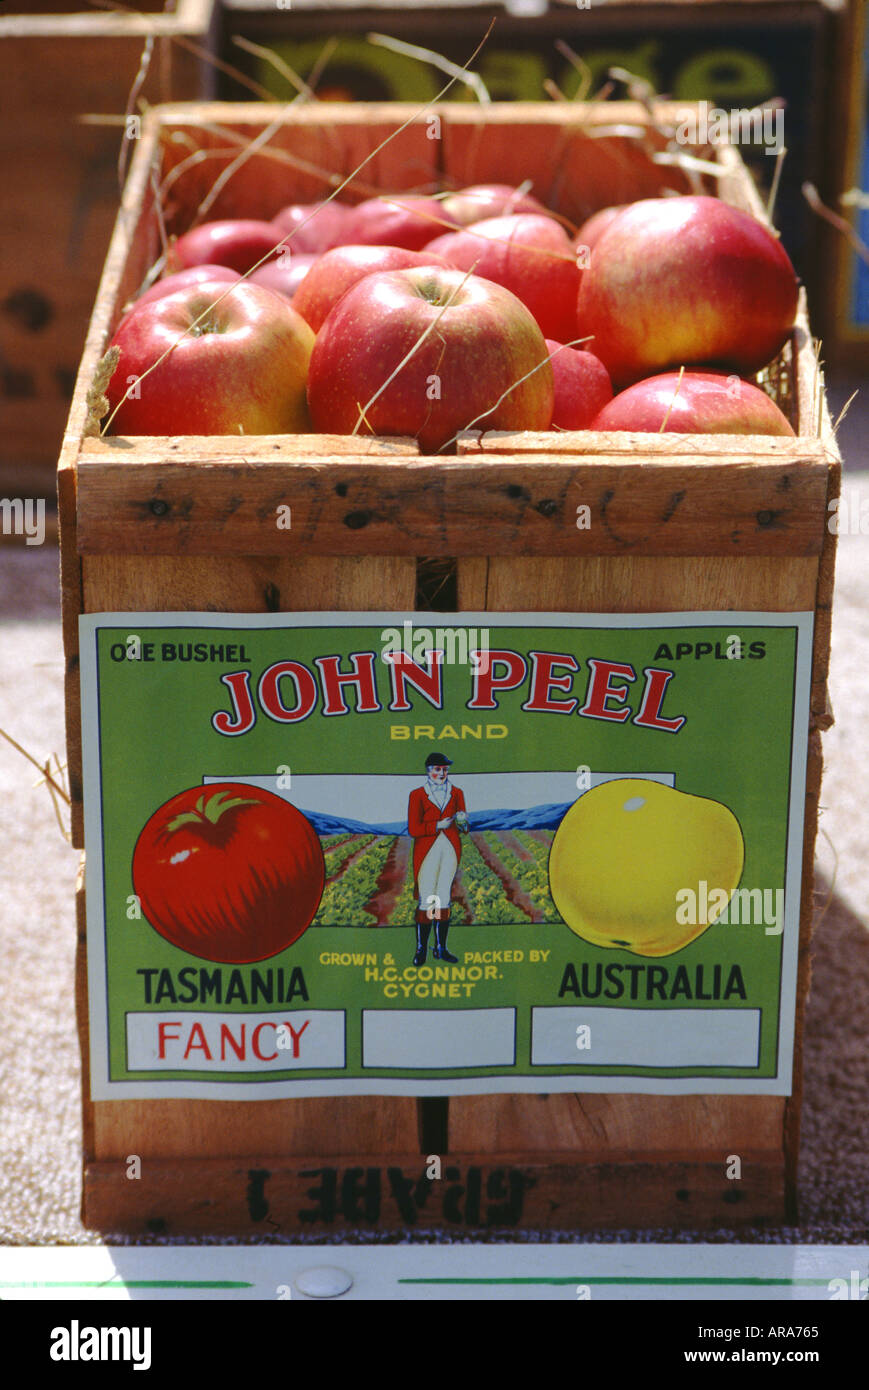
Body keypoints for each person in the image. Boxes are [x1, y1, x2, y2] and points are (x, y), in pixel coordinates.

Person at [406, 752, 468, 966]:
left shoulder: (457, 792)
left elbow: (464, 825)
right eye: (438, 769)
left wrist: (462, 822)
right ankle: (422, 948)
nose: (442, 773)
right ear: (429, 770)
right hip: (428, 849)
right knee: (427, 898)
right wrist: (437, 826)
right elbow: (414, 828)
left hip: (449, 848)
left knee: (442, 896)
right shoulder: (417, 795)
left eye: (445, 769)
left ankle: (441, 947)